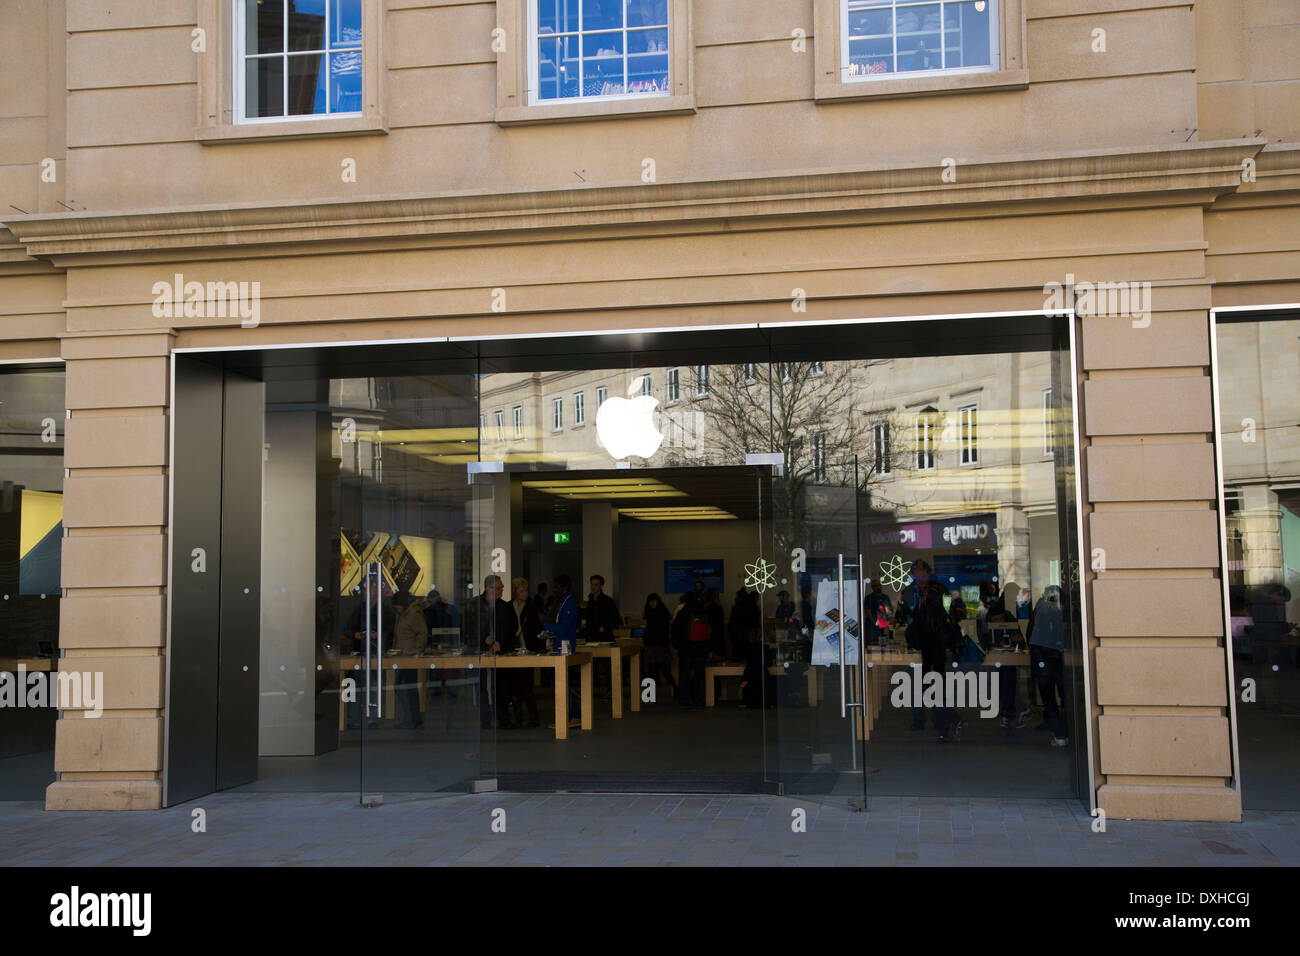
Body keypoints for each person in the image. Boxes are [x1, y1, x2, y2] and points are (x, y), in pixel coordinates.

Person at [906, 586, 963, 742]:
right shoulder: (945, 614)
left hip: (928, 659)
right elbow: (956, 635)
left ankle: (950, 723)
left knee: (934, 693)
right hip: (944, 659)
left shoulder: (921, 614)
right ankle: (947, 725)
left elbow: (911, 635)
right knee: (940, 693)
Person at [462, 574, 517, 730]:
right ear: (489, 588)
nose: (502, 590)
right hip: (479, 650)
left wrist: (500, 643)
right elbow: (468, 628)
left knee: (501, 686)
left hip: (499, 651)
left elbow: (510, 629)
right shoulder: (474, 605)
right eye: (499, 588)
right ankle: (485, 720)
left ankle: (503, 719)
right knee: (480, 686)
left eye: (501, 588)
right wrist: (484, 638)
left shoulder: (505, 607)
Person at [344, 590, 394, 730]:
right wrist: (356, 634)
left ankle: (371, 718)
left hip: (374, 651)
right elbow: (349, 628)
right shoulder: (361, 609)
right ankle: (355, 719)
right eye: (369, 596)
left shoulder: (384, 611)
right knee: (360, 686)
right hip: (362, 651)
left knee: (372, 685)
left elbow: (390, 630)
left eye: (372, 596)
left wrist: (378, 635)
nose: (370, 599)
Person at [1027, 584, 1068, 747]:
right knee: (1065, 695)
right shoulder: (1061, 610)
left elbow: (1030, 632)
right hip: (1059, 655)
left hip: (1041, 656)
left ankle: (1059, 734)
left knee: (1048, 697)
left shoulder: (1040, 607)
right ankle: (1066, 729)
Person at [540, 575, 581, 726]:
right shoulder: (562, 602)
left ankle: (572, 716)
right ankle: (572, 715)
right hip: (559, 645)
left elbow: (563, 628)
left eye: (556, 587)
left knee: (561, 683)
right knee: (562, 683)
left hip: (565, 646)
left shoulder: (568, 603)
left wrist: (546, 625)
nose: (554, 590)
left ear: (564, 588)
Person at [505, 577, 543, 728]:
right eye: (521, 590)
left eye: (526, 590)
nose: (525, 593)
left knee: (526, 686)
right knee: (515, 686)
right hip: (514, 650)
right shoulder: (509, 606)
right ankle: (518, 717)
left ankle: (532, 718)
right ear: (515, 592)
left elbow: (536, 627)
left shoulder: (531, 606)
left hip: (528, 649)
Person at [391, 590, 428, 730]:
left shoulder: (412, 614)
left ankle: (411, 718)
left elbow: (422, 632)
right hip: (403, 656)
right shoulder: (404, 613)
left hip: (409, 657)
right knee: (407, 688)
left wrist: (417, 649)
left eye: (397, 606)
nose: (396, 608)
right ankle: (413, 718)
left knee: (403, 687)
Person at [584, 574, 622, 700]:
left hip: (605, 637)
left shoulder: (607, 601)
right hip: (591, 638)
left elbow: (616, 620)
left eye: (596, 584)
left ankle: (611, 690)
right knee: (591, 666)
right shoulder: (589, 601)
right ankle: (590, 690)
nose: (593, 587)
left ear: (601, 586)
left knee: (608, 666)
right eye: (592, 584)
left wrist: (605, 627)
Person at [677, 591, 713, 705]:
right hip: (701, 650)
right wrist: (709, 649)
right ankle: (700, 700)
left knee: (684, 676)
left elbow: (675, 631)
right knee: (700, 677)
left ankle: (684, 700)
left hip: (686, 650)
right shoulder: (703, 612)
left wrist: (678, 646)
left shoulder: (683, 612)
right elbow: (710, 632)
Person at [641, 593, 676, 697]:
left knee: (659, 668)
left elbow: (661, 631)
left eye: (654, 601)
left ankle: (652, 694)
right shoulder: (661, 612)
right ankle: (674, 689)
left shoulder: (654, 613)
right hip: (654, 644)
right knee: (657, 669)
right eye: (651, 601)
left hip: (657, 644)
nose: (652, 603)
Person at [727, 587, 759, 663]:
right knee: (748, 656)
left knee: (737, 656)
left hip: (737, 634)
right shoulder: (752, 607)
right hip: (748, 633)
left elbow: (732, 622)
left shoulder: (735, 607)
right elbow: (755, 621)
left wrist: (730, 635)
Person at [864, 579, 893, 645]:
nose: (878, 587)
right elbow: (868, 612)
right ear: (872, 587)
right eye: (875, 586)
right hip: (872, 627)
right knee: (871, 646)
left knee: (883, 646)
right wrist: (875, 623)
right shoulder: (869, 598)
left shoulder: (885, 597)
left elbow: (889, 612)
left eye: (879, 585)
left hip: (883, 626)